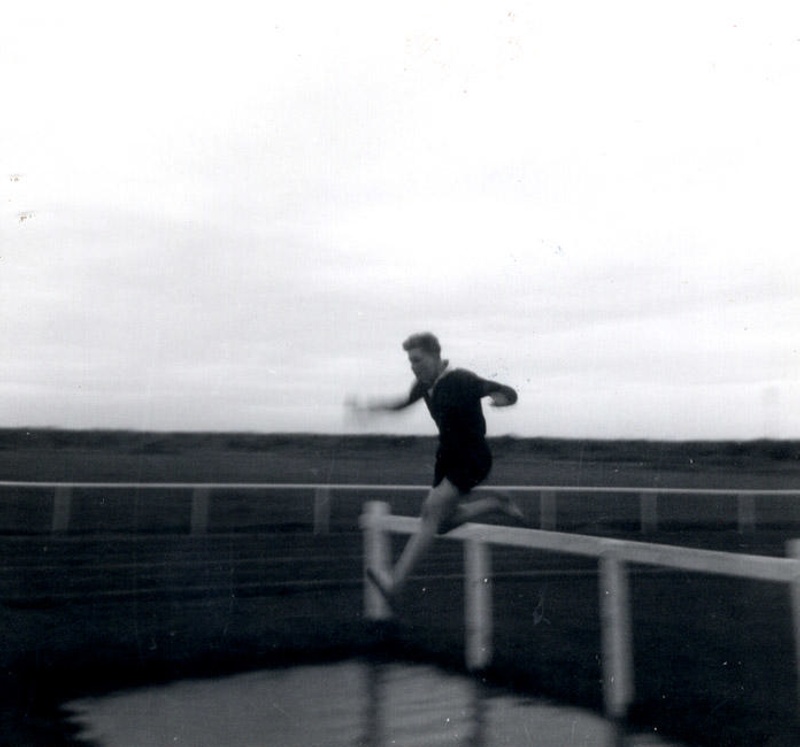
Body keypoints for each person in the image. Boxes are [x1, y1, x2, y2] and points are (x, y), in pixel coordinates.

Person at [349, 332, 523, 611]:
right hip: (447, 458)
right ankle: (496, 502)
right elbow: (401, 405)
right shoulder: (423, 385)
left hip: (472, 458)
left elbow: (506, 390)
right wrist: (370, 407)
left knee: (431, 510)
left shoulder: (460, 380)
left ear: (435, 356)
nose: (413, 366)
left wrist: (503, 398)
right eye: (410, 361)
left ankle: (395, 584)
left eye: (417, 359)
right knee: (440, 523)